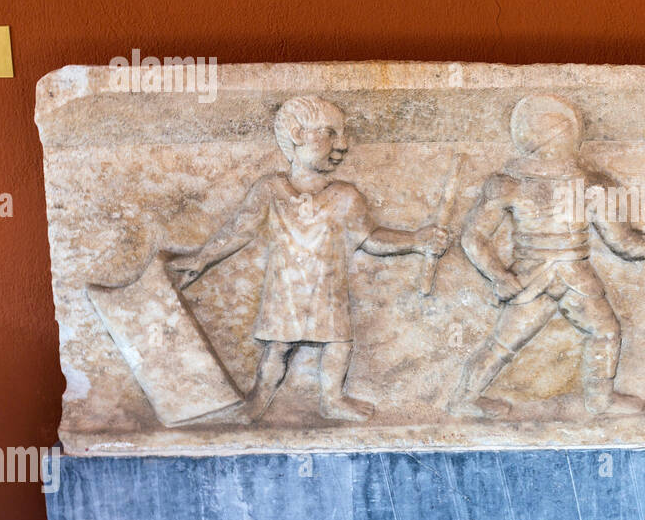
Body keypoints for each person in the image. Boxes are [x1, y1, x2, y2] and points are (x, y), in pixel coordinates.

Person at [167, 95, 449, 423]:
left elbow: (371, 238)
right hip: (285, 289)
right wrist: (201, 258)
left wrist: (415, 240)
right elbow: (238, 231)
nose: (342, 145)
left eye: (343, 136)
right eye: (331, 133)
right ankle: (257, 401)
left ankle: (332, 398)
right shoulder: (271, 190)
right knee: (277, 348)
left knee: (339, 344)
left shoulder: (346, 196)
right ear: (298, 134)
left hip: (328, 290)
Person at [449, 94, 645, 418]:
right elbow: (473, 236)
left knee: (606, 331)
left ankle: (600, 399)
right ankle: (463, 399)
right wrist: (499, 275)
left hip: (575, 278)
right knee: (503, 344)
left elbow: (623, 242)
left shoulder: (591, 185)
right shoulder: (508, 185)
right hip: (531, 278)